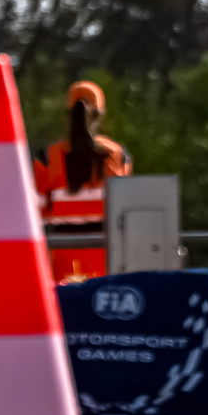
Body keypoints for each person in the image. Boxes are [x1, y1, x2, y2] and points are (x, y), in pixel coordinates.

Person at [32, 80, 133, 282]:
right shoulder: (118, 154)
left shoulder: (48, 156)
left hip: (59, 253)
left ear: (68, 115)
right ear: (101, 114)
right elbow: (126, 209)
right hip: (107, 253)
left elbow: (34, 211)